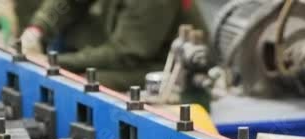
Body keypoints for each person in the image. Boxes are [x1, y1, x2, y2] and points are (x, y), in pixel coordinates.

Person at [20, 0, 204, 91]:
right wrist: (37, 29)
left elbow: (126, 52)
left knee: (83, 83)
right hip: (135, 57)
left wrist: (53, 61)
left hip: (170, 73)